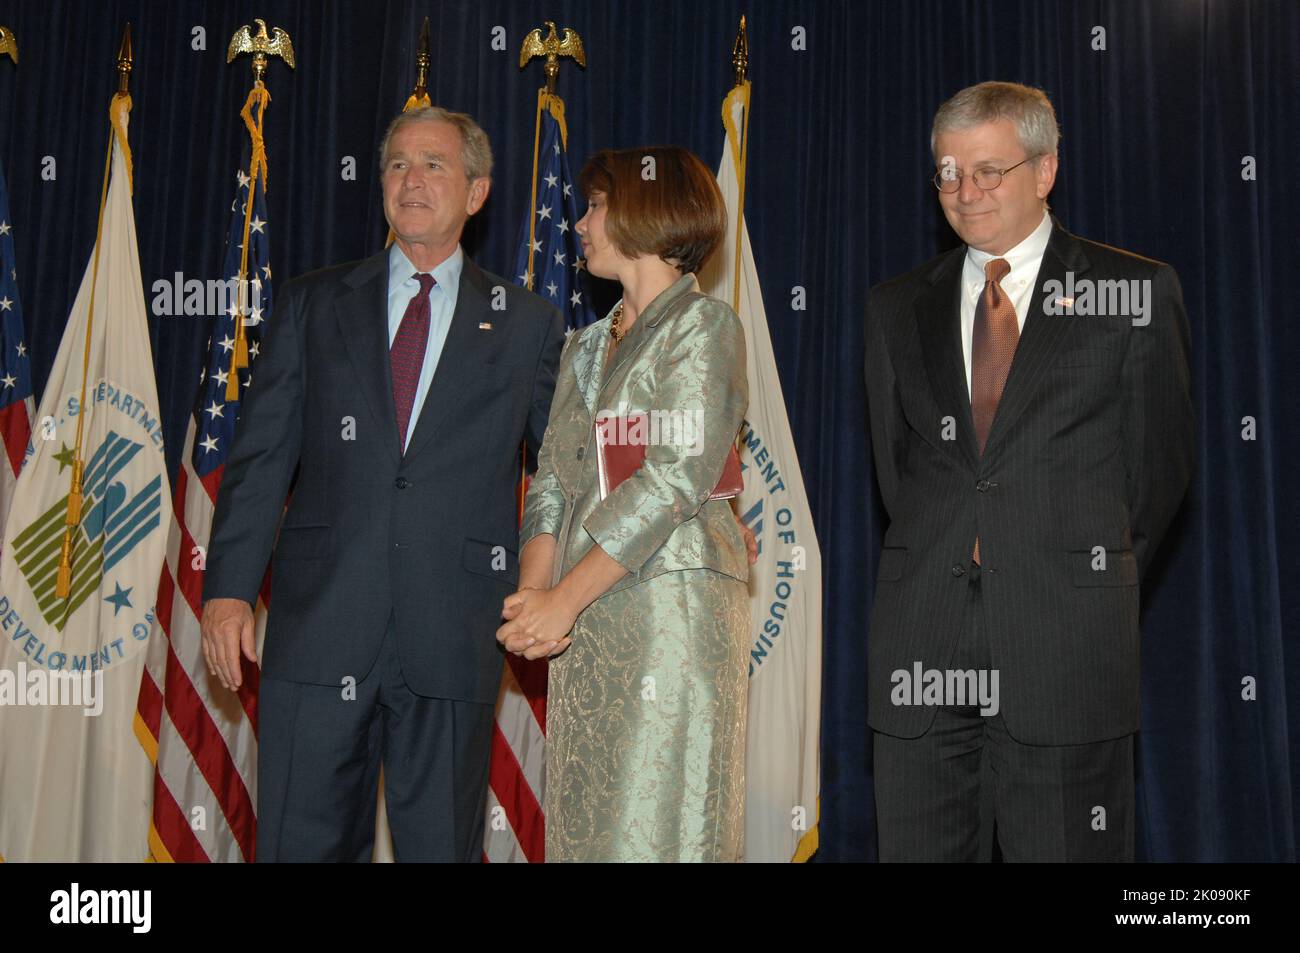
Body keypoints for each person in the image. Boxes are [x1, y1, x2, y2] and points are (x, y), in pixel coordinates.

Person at [200, 106, 565, 862]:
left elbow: (563, 468)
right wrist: (228, 588)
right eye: (397, 163)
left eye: (434, 164)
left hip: (455, 629)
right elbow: (261, 457)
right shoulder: (311, 303)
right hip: (320, 623)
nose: (411, 179)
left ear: (477, 192)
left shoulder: (528, 322)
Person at [864, 81, 1194, 862]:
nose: (964, 191)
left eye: (988, 170)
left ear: (1045, 171)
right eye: (946, 171)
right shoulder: (894, 306)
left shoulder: (1133, 292)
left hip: (1065, 651)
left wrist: (1073, 569)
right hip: (923, 654)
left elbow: (1158, 477)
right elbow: (899, 473)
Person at [496, 146, 753, 862]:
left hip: (669, 616)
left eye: (599, 205)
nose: (580, 222)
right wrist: (534, 598)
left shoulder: (705, 328)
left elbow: (675, 478)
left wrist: (564, 601)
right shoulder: (582, 346)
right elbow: (552, 479)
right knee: (592, 831)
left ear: (651, 209)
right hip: (585, 619)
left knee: (659, 827)